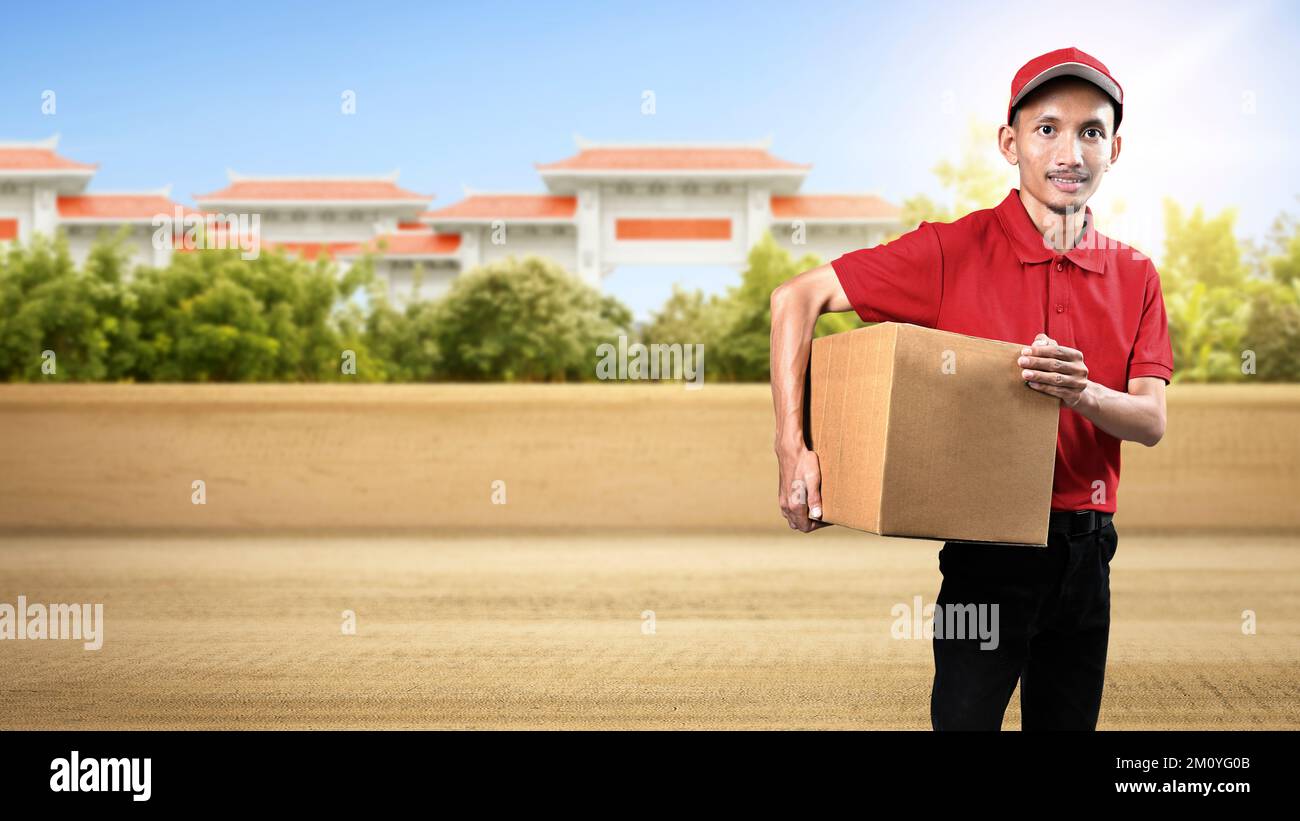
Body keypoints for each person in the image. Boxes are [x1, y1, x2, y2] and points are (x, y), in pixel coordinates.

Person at [768, 47, 1174, 730]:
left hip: (1087, 551)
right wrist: (792, 448)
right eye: (1046, 129)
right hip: (984, 555)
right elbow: (795, 298)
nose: (1070, 151)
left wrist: (1083, 394)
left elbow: (1151, 420)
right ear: (1009, 143)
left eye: (1091, 132)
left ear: (1116, 149)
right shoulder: (949, 251)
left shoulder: (1135, 273)